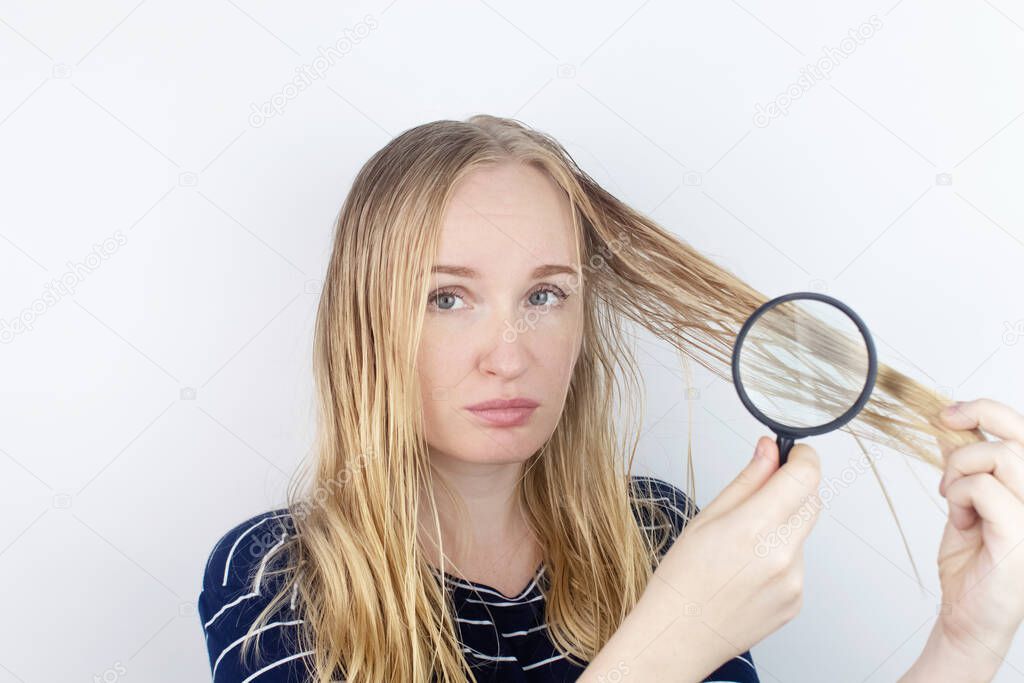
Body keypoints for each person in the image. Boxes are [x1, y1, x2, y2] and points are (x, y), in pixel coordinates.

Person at [198, 115, 1024, 682]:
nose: (509, 354)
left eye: (545, 295)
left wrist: (966, 638)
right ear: (364, 324)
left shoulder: (658, 535)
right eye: (446, 298)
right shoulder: (280, 576)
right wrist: (670, 640)